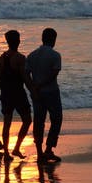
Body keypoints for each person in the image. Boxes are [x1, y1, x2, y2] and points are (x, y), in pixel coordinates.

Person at [26, 28, 63, 163]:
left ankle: (39, 152)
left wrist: (33, 88)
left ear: (42, 38)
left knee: (39, 121)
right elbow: (54, 74)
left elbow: (26, 74)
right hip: (51, 91)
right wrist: (40, 85)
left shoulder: (32, 55)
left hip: (37, 93)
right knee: (56, 119)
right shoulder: (55, 55)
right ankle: (48, 149)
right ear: (53, 40)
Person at [0, 30, 32, 159]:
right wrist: (33, 91)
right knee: (27, 120)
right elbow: (25, 78)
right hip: (18, 93)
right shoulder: (20, 58)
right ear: (18, 41)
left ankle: (6, 152)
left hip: (6, 94)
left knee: (7, 123)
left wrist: (0, 93)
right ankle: (16, 148)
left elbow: (0, 77)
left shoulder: (2, 58)